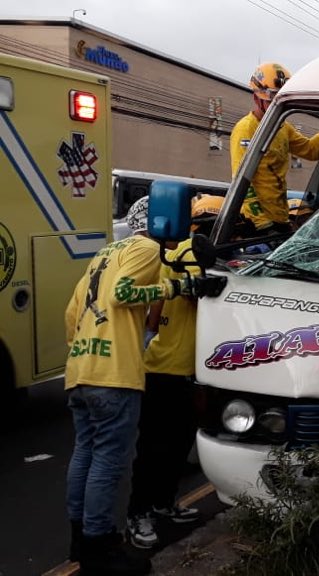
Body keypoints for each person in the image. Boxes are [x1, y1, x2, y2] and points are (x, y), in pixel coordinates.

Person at [64, 197, 202, 576]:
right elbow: (122, 295)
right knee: (108, 461)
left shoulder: (104, 254)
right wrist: (175, 290)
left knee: (84, 454)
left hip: (81, 369)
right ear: (163, 222)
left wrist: (85, 351)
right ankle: (100, 547)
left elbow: (72, 314)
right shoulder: (147, 247)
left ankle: (80, 538)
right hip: (115, 374)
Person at [125, 195, 223, 549]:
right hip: (163, 366)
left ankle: (164, 504)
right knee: (153, 446)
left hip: (189, 366)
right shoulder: (183, 253)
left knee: (179, 443)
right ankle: (138, 514)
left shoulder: (191, 252)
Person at [230, 62, 319, 235]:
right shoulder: (245, 129)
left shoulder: (282, 127)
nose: (278, 106)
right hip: (255, 225)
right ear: (257, 98)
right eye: (272, 102)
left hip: (279, 220)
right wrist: (263, 225)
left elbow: (312, 150)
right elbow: (241, 181)